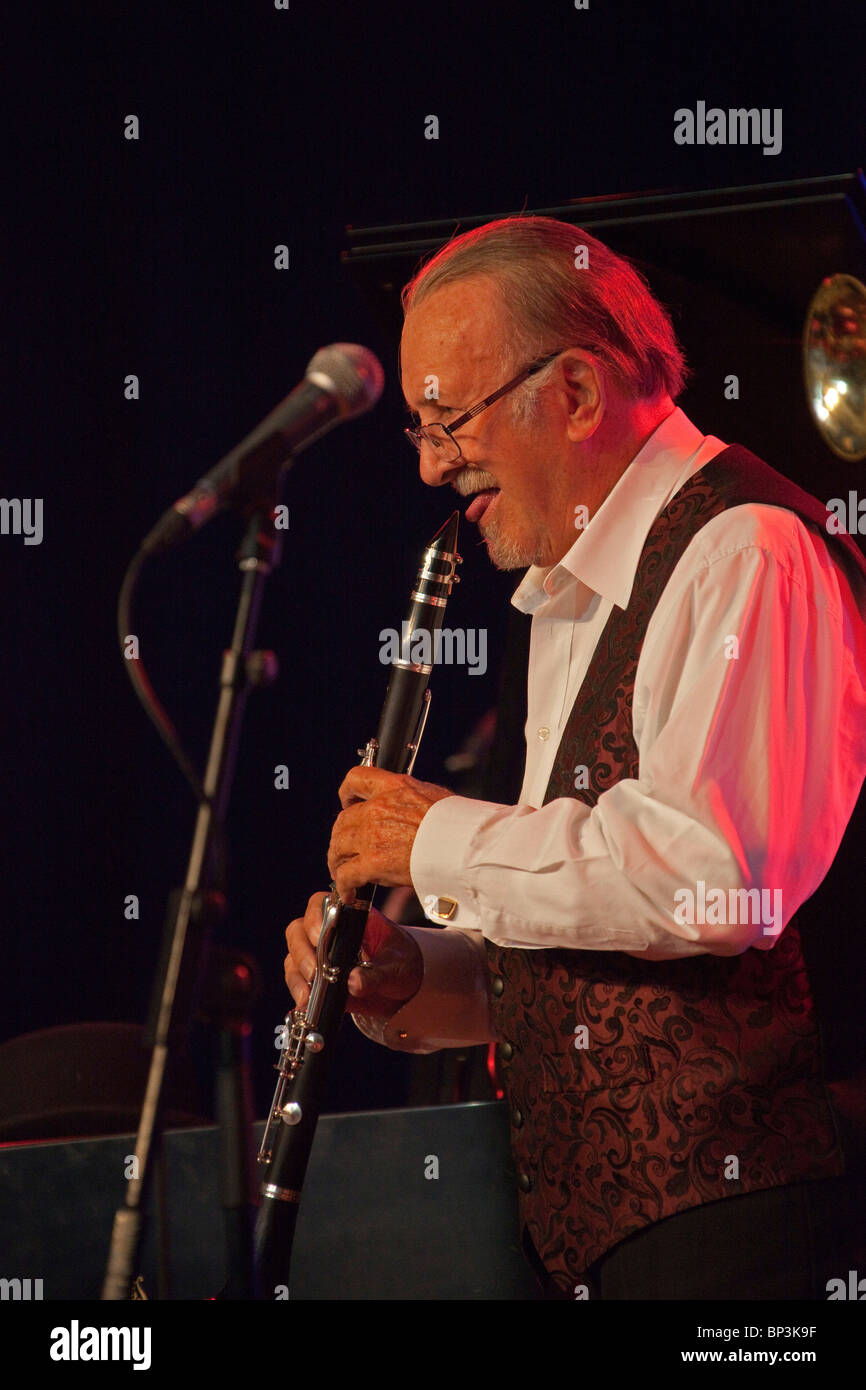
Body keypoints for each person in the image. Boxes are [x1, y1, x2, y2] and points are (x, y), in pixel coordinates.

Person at [284, 216, 866, 1300]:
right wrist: (418, 972)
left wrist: (436, 835)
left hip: (747, 1233)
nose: (427, 465)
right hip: (594, 1242)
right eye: (417, 428)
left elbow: (713, 876)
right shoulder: (565, 592)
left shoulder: (745, 549)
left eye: (446, 417)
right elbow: (593, 932)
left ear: (580, 393)